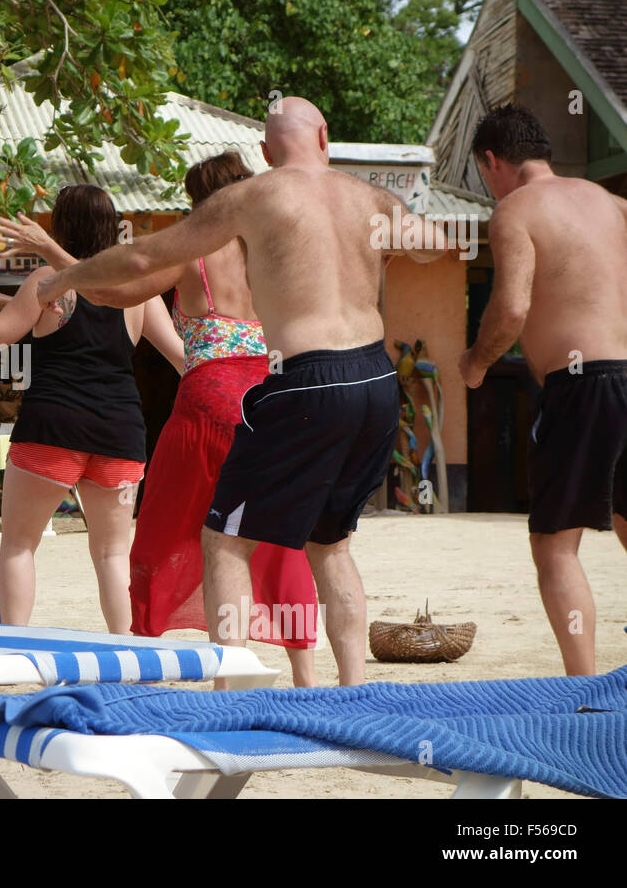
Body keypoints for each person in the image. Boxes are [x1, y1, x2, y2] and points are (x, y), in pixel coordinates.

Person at [35, 99, 447, 684]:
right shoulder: (367, 197)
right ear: (325, 135)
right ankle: (351, 691)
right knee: (331, 545)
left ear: (264, 153)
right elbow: (438, 242)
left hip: (292, 384)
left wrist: (66, 275)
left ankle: (229, 688)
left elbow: (139, 259)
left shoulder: (248, 201)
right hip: (377, 380)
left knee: (225, 540)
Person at [0, 152, 318, 686]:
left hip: (205, 405)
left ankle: (160, 663)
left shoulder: (193, 251)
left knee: (170, 538)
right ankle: (307, 676)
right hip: (271, 402)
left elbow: (110, 289)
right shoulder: (278, 256)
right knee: (281, 540)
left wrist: (51, 269)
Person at [0, 184, 185, 634]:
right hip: (120, 431)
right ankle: (123, 649)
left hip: (52, 426)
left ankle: (16, 650)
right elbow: (183, 360)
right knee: (112, 553)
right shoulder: (138, 292)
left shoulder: (47, 281)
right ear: (114, 228)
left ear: (62, 227)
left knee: (18, 545)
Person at [460, 103, 627, 676]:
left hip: (584, 387)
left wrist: (476, 363)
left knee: (556, 544)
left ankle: (584, 695)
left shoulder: (515, 210)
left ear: (492, 160)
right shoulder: (613, 204)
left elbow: (510, 308)